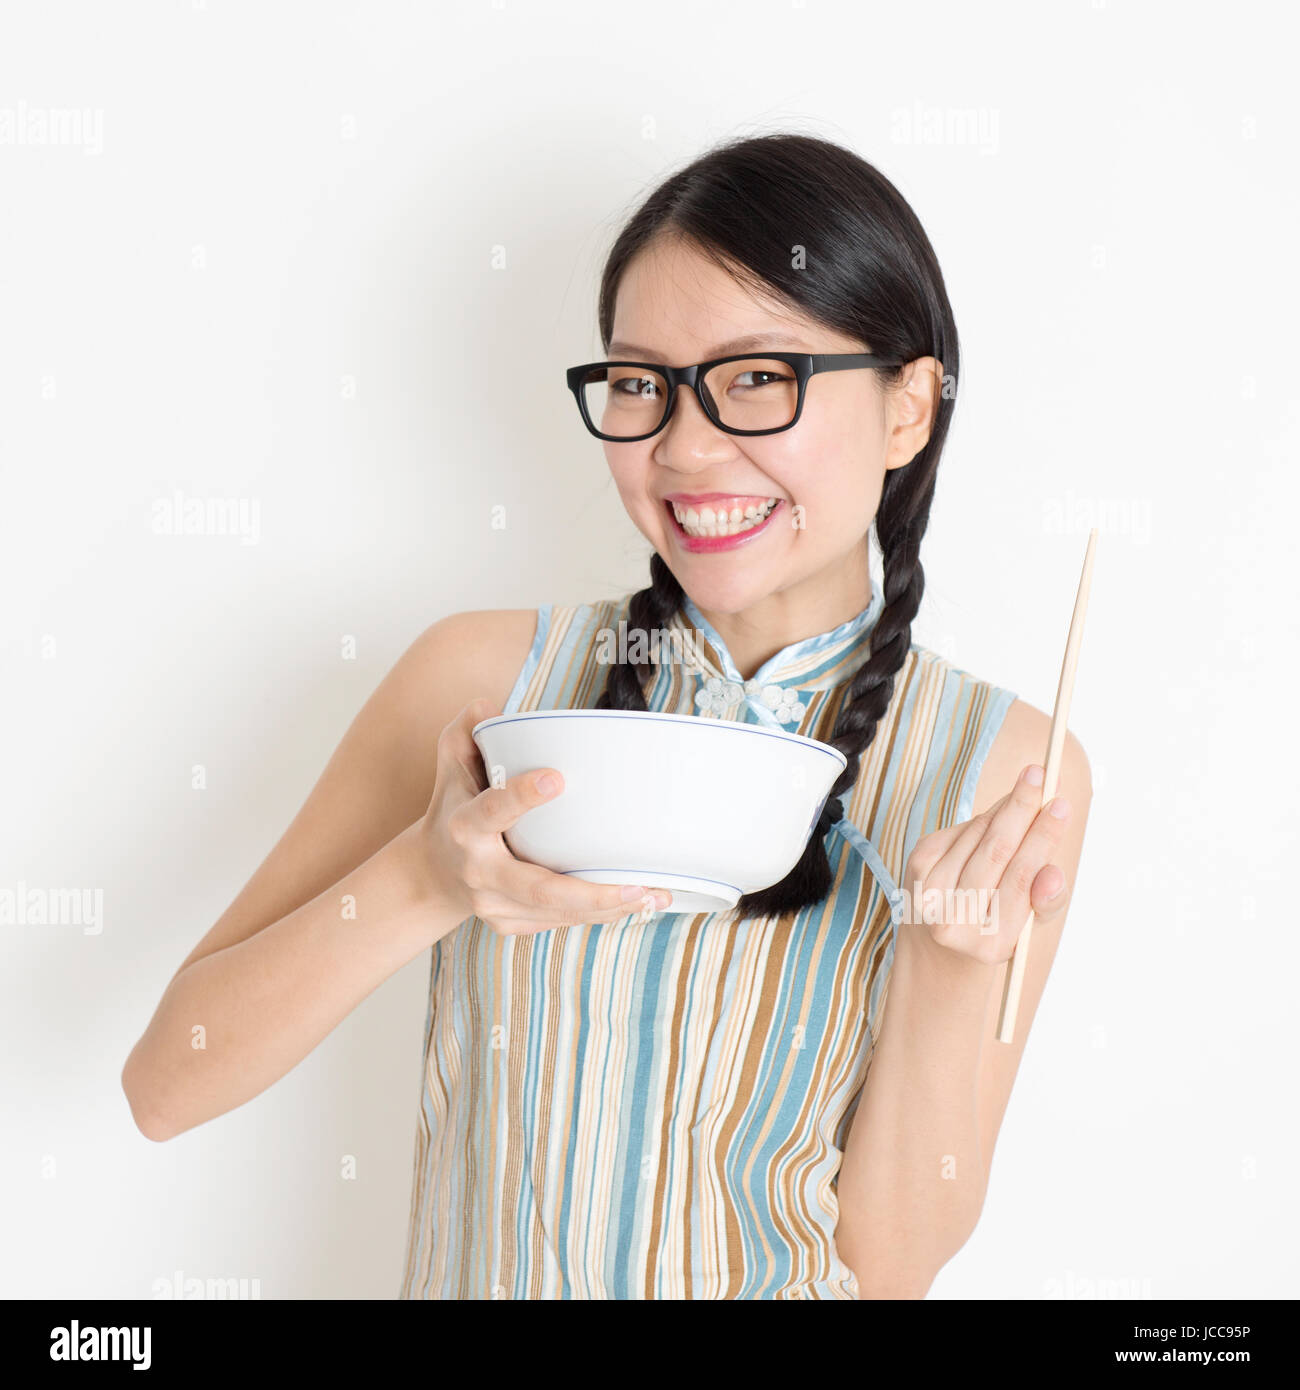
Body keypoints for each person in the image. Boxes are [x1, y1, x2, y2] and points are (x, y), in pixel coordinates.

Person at [122, 131, 1091, 1300]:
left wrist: (944, 967)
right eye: (641, 384)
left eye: (755, 379)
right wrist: (428, 879)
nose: (683, 448)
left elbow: (890, 1265)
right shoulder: (483, 681)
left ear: (908, 408)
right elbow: (166, 1084)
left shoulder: (1008, 769)